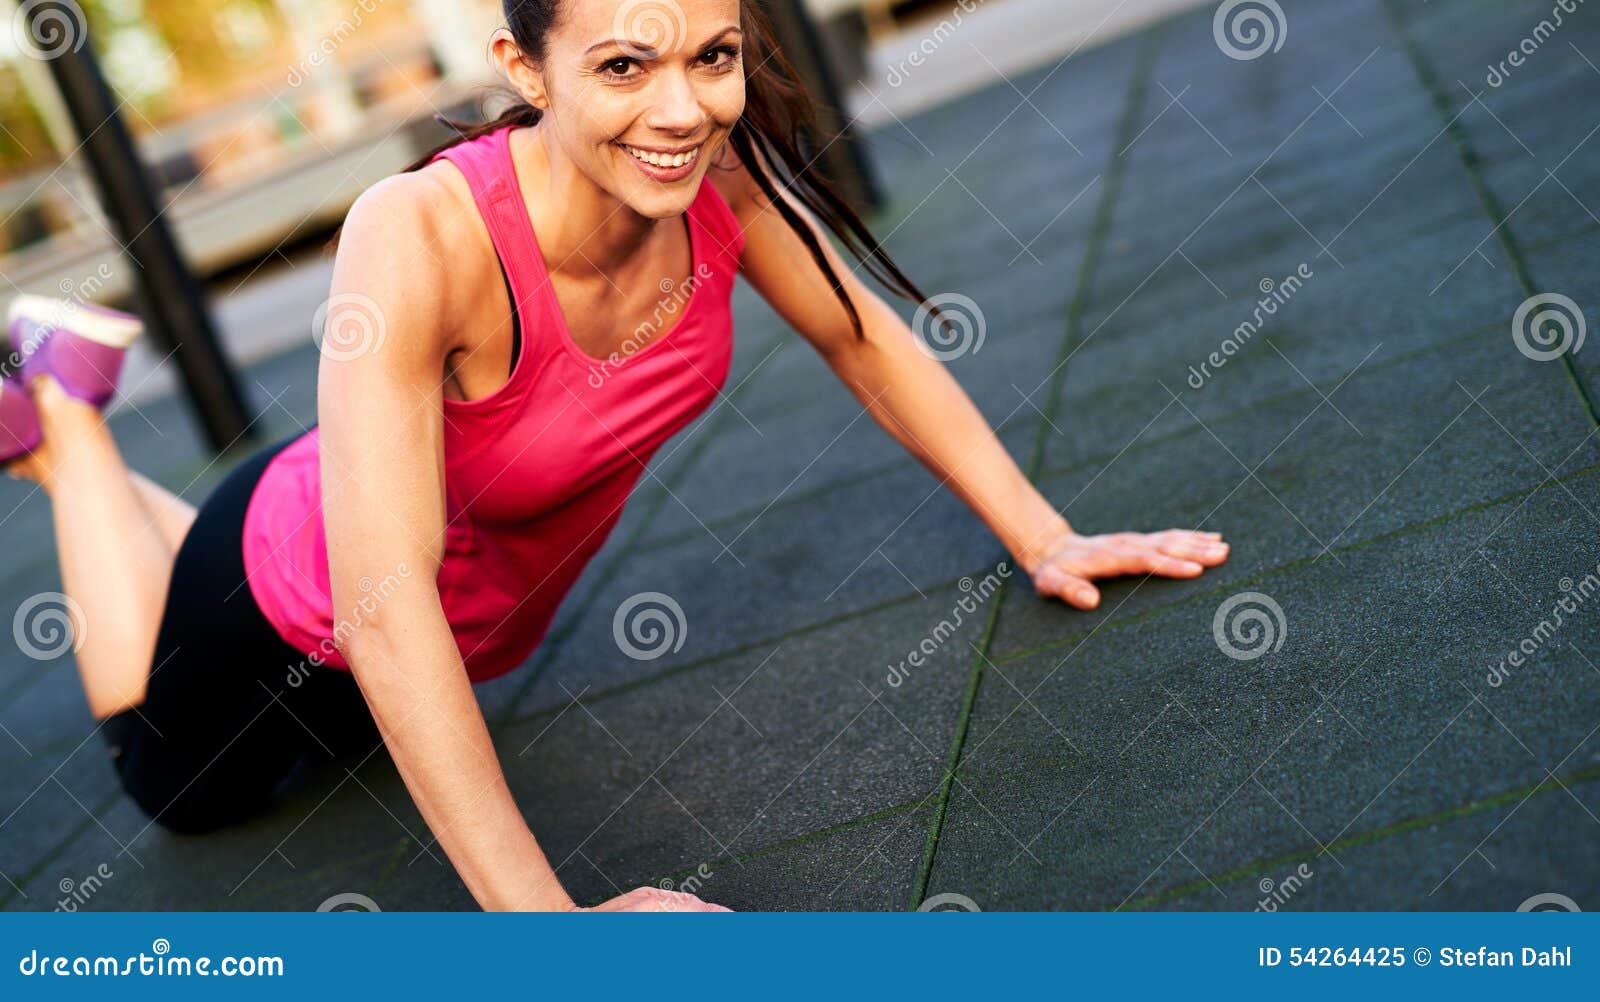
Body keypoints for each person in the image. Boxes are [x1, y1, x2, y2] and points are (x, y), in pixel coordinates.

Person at [0, 0, 1228, 912]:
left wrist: (1040, 532)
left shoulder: (713, 173)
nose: (682, 108)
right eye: (625, 65)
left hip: (411, 605)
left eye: (713, 57)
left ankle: (90, 454)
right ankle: (65, 427)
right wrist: (550, 935)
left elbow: (868, 346)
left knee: (355, 746)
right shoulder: (419, 230)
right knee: (185, 795)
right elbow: (381, 610)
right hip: (292, 600)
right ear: (523, 68)